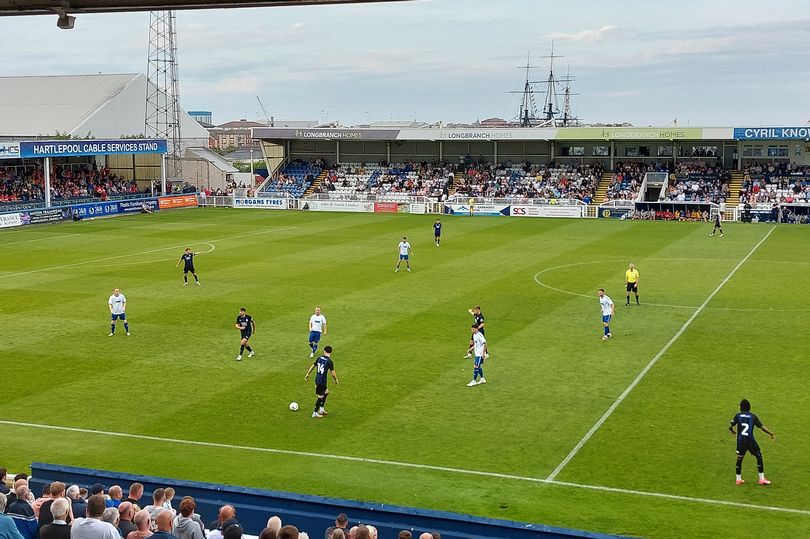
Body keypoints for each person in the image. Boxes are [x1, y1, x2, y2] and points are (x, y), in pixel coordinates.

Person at [729, 399, 775, 486]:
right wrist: (771, 433)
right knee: (758, 456)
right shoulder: (753, 416)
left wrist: (732, 431)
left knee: (740, 458)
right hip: (750, 440)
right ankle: (761, 479)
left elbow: (730, 426)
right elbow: (762, 427)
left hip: (741, 441)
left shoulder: (738, 416)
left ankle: (738, 479)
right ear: (749, 407)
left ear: (741, 408)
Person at [305, 345, 339, 419]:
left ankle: (321, 409)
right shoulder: (329, 361)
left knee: (326, 392)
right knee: (320, 396)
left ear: (324, 351)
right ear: (331, 352)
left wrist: (308, 374)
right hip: (322, 381)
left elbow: (313, 366)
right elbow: (332, 373)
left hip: (318, 379)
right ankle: (315, 413)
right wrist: (336, 379)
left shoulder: (319, 358)